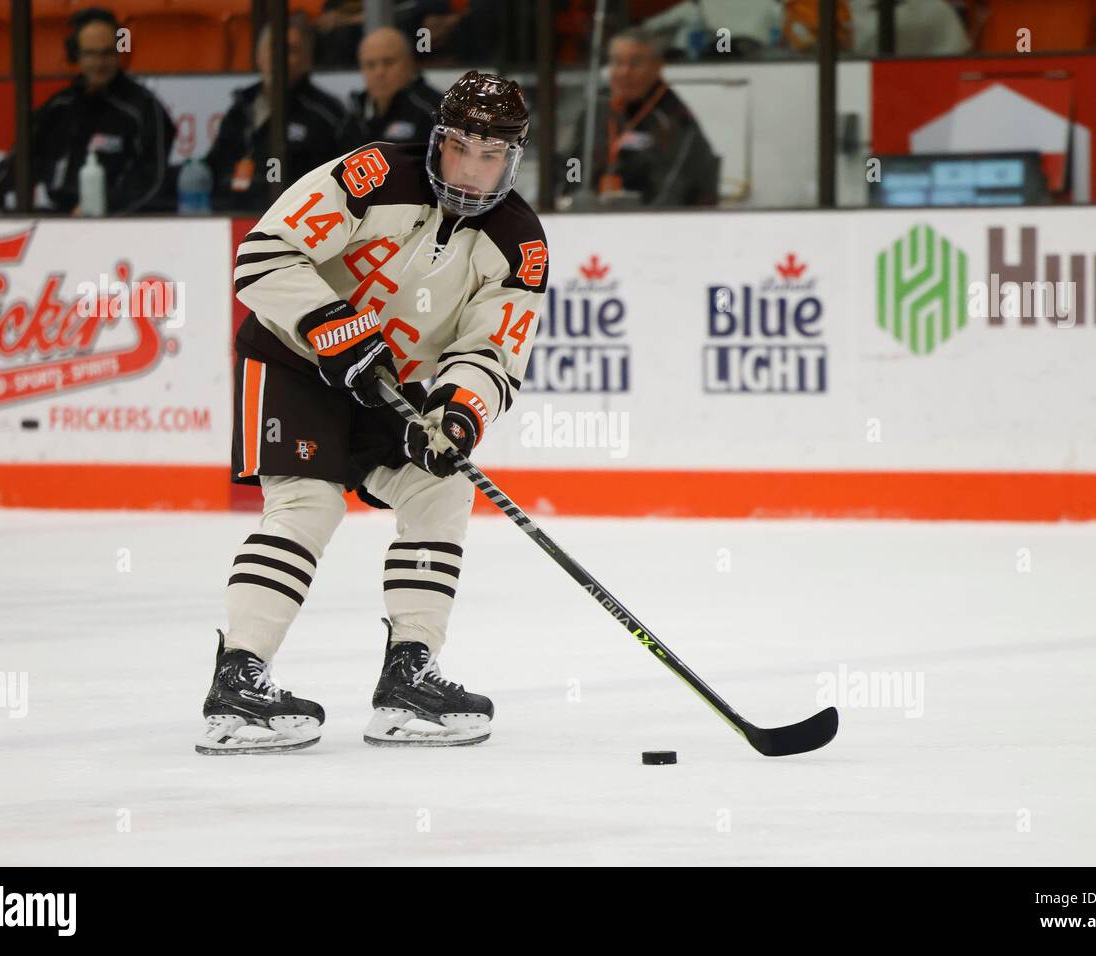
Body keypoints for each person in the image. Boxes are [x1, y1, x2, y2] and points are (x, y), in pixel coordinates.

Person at [198, 71, 548, 754]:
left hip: (394, 390)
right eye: (463, 148)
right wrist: (336, 327)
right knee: (308, 505)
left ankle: (409, 676)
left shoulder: (518, 242)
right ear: (438, 139)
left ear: (514, 158)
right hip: (295, 362)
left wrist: (458, 414)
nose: (474, 171)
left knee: (441, 490)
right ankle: (240, 678)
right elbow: (264, 258)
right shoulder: (371, 175)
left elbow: (491, 349)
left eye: (493, 154)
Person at [0, 6, 175, 215]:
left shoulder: (143, 108)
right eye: (91, 54)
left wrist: (103, 208)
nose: (100, 63)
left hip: (117, 224)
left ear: (120, 54)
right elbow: (15, 167)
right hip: (59, 220)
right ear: (76, 56)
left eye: (107, 53)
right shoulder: (58, 108)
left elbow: (151, 180)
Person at [559, 28, 719, 208]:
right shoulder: (596, 110)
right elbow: (572, 166)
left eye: (635, 63)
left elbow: (672, 193)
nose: (625, 72)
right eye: (617, 63)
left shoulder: (675, 118)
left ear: (657, 67)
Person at [204, 15, 347, 213]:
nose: (279, 57)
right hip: (229, 216)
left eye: (291, 50)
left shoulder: (326, 115)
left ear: (307, 60)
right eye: (273, 47)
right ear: (258, 55)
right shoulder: (242, 105)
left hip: (294, 223)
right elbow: (216, 164)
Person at [338, 27, 440, 148]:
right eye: (370, 65)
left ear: (410, 63)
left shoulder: (433, 112)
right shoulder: (353, 116)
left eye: (388, 62)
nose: (379, 72)